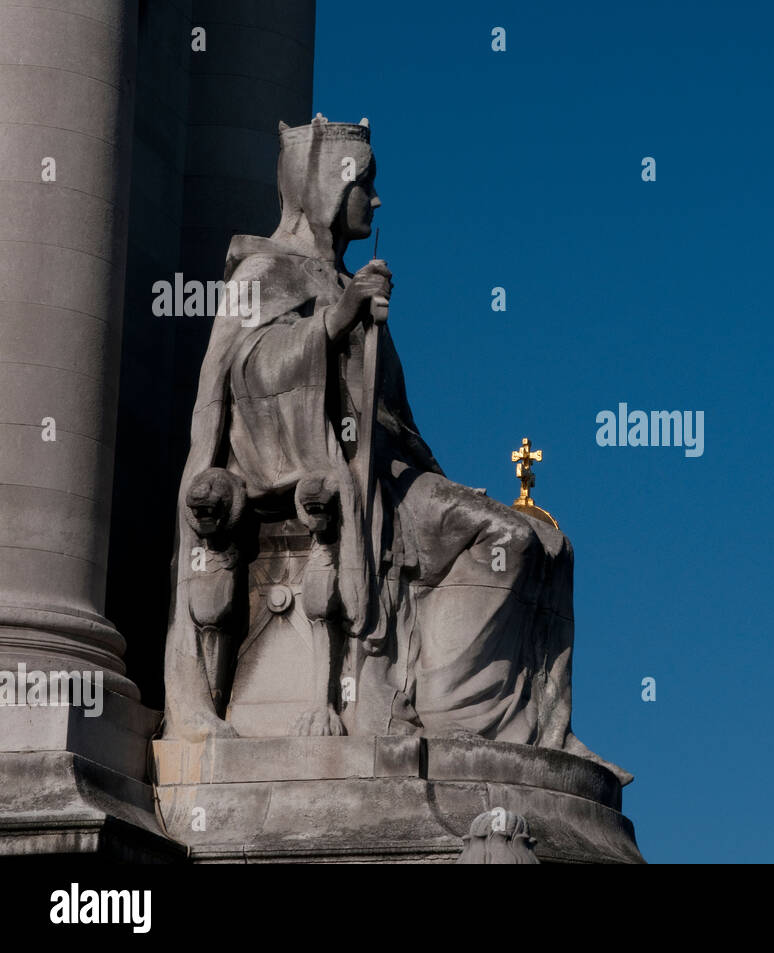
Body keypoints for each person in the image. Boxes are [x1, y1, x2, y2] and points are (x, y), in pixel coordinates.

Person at [163, 116, 623, 780]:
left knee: (550, 545)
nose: (375, 202)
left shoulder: (340, 279)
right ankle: (451, 715)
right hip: (337, 480)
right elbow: (248, 379)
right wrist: (335, 322)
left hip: (394, 475)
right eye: (364, 185)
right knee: (514, 542)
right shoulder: (265, 272)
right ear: (324, 185)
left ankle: (533, 726)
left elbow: (393, 421)